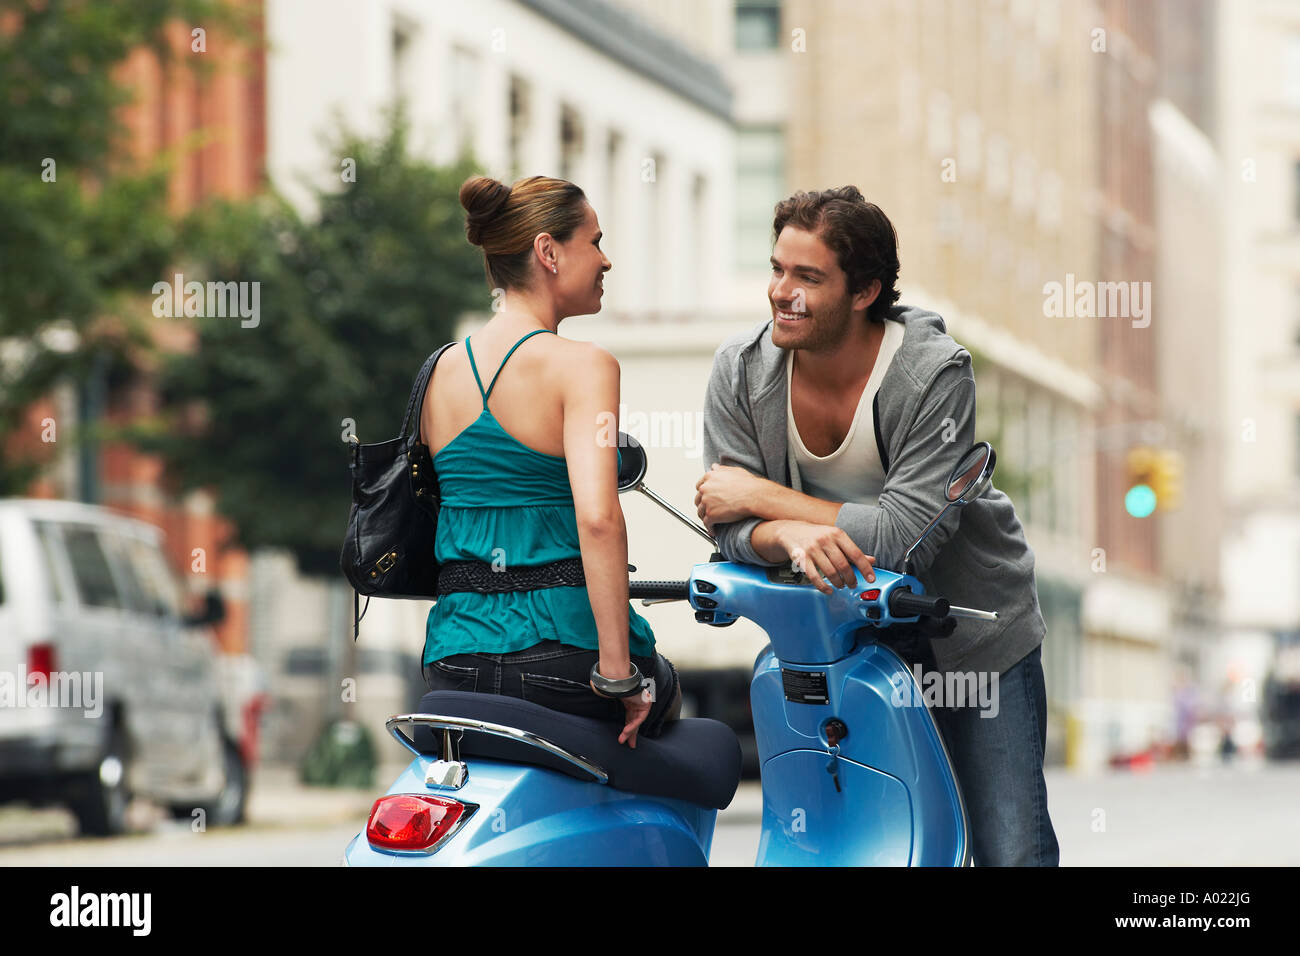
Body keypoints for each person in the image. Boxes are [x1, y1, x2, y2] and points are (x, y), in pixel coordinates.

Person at [694, 185, 1059, 865]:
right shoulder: (741, 372)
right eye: (777, 269)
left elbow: (904, 539)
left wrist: (759, 494)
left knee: (1008, 848)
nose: (782, 292)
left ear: (864, 292)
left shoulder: (931, 374)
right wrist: (789, 535)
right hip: (836, 639)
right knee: (856, 841)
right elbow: (727, 531)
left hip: (967, 632)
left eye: (808, 277)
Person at [419, 174, 682, 749]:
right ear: (548, 251)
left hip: (452, 660)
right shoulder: (584, 366)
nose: (606, 260)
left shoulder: (438, 372)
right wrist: (617, 675)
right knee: (676, 717)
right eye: (594, 241)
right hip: (563, 654)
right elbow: (597, 518)